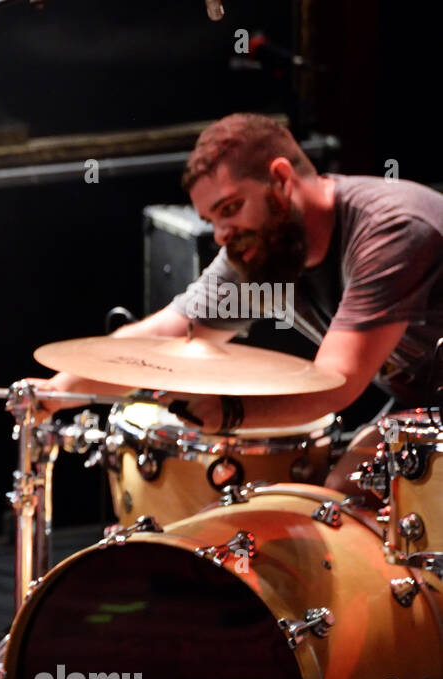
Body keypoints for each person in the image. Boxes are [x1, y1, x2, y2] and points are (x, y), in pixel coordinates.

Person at [29, 113, 443, 456]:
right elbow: (166, 335)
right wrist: (58, 390)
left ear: (281, 179)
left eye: (231, 208)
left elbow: (333, 384)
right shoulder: (263, 249)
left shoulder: (390, 231)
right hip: (422, 409)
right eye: (213, 221)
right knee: (337, 502)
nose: (223, 234)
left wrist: (230, 413)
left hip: (427, 411)